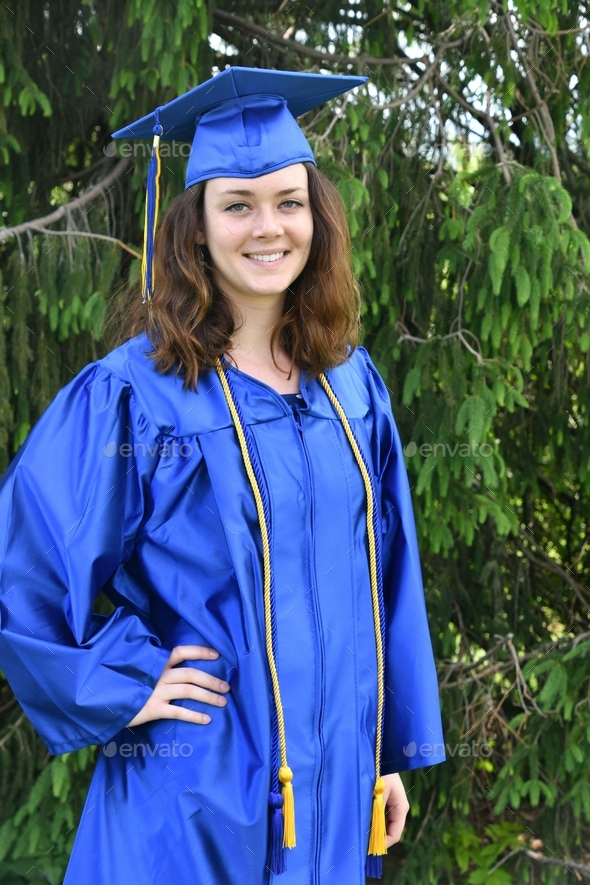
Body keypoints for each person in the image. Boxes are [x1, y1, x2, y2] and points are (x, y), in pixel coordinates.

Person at [0, 66, 445, 885]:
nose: (267, 228)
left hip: (333, 792)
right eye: (236, 204)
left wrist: (382, 752)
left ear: (318, 217)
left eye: (288, 202)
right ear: (196, 228)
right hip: (192, 797)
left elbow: (385, 577)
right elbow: (21, 562)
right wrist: (120, 679)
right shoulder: (134, 396)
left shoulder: (352, 385)